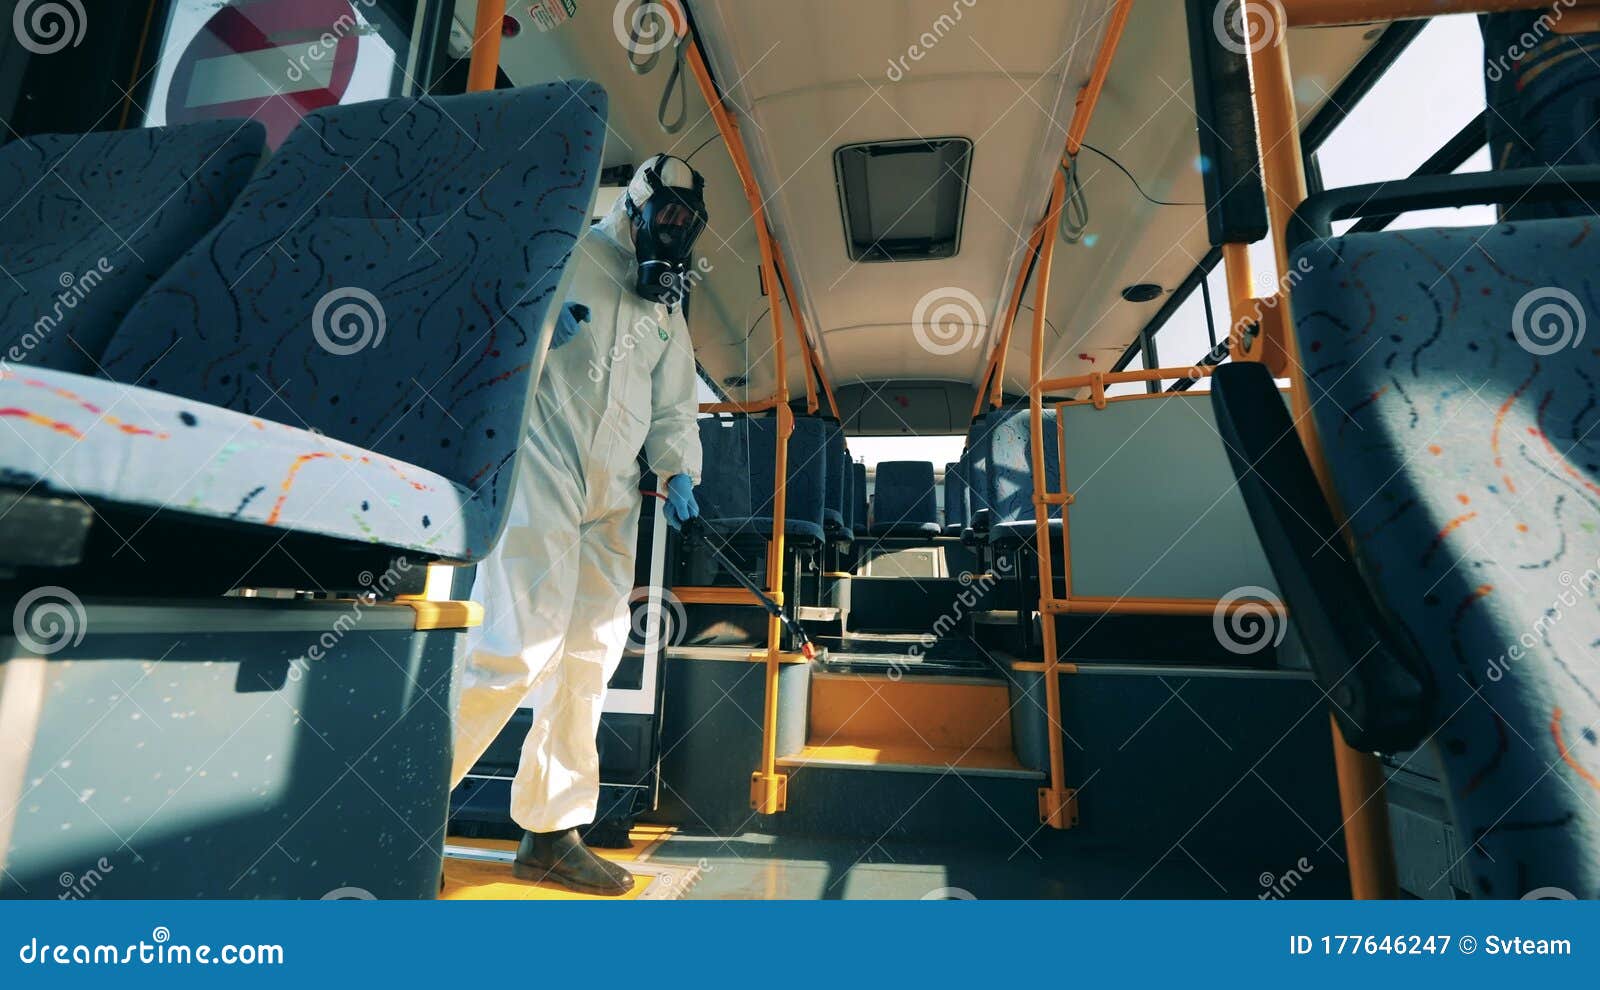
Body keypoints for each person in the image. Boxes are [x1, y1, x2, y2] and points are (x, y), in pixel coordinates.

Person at [452, 154, 707, 895]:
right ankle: (396, 806)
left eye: (686, 224)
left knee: (590, 657)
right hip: (544, 463)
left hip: (615, 492)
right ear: (635, 206)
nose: (673, 230)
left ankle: (550, 834)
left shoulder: (664, 307)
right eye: (666, 215)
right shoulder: (564, 250)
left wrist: (678, 464)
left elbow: (673, 404)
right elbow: (483, 328)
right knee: (515, 648)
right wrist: (531, 330)